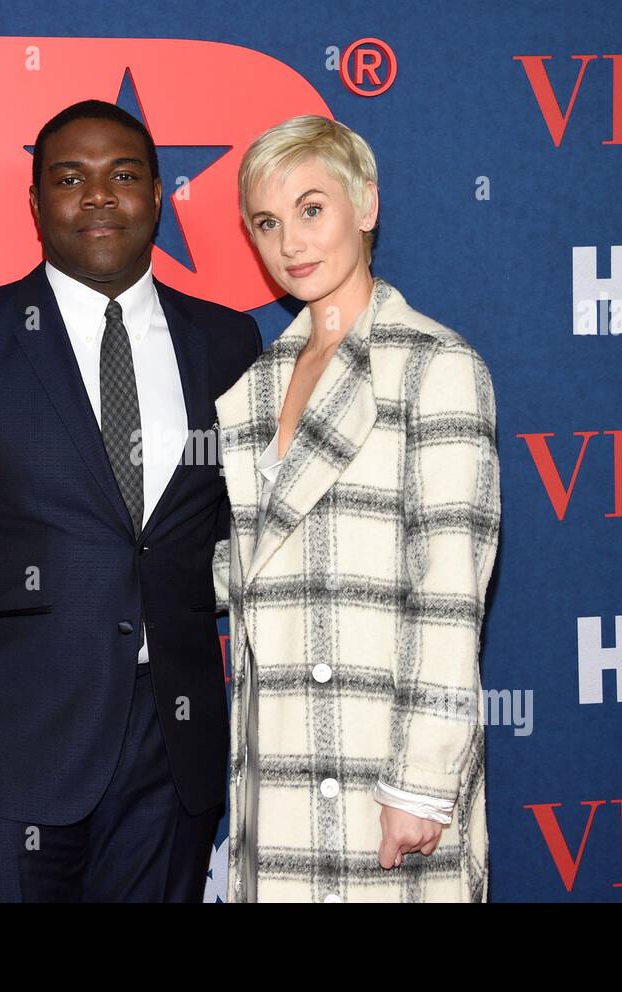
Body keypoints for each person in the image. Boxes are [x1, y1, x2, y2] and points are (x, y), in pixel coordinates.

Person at [0, 99, 261, 902]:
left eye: (123, 175)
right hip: (8, 764)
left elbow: (240, 538)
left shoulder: (230, 343)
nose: (99, 196)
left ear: (158, 195)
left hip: (173, 756)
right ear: (37, 203)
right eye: (70, 178)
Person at [212, 115, 500, 902]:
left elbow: (451, 587)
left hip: (383, 775)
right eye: (267, 224)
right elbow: (241, 571)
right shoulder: (250, 390)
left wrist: (422, 781)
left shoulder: (434, 365)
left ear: (365, 205)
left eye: (313, 209)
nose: (291, 244)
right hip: (275, 774)